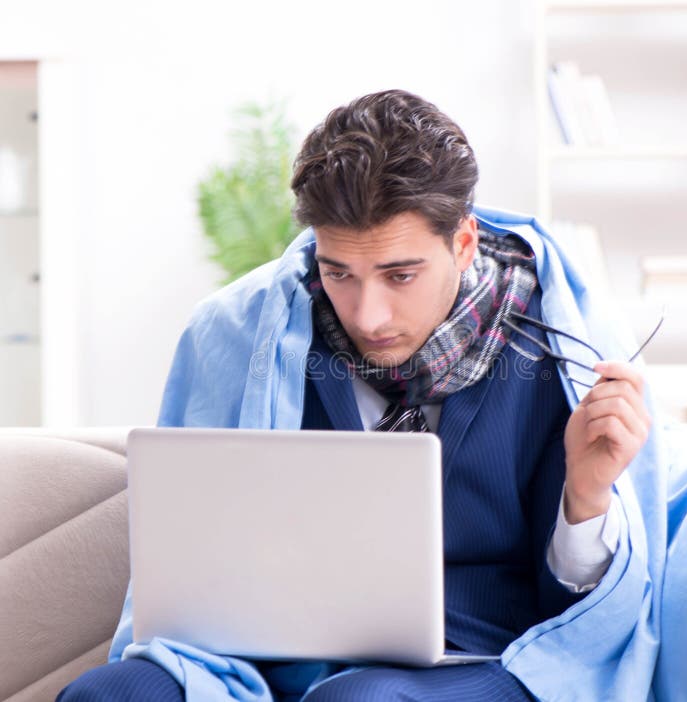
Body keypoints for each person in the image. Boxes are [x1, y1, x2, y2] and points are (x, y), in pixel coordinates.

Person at [57, 89, 655, 702]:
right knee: (112, 693)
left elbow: (581, 617)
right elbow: (188, 570)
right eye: (339, 273)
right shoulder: (241, 334)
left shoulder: (557, 351)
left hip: (476, 658)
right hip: (263, 655)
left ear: (464, 243)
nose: (369, 316)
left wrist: (586, 495)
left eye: (400, 275)